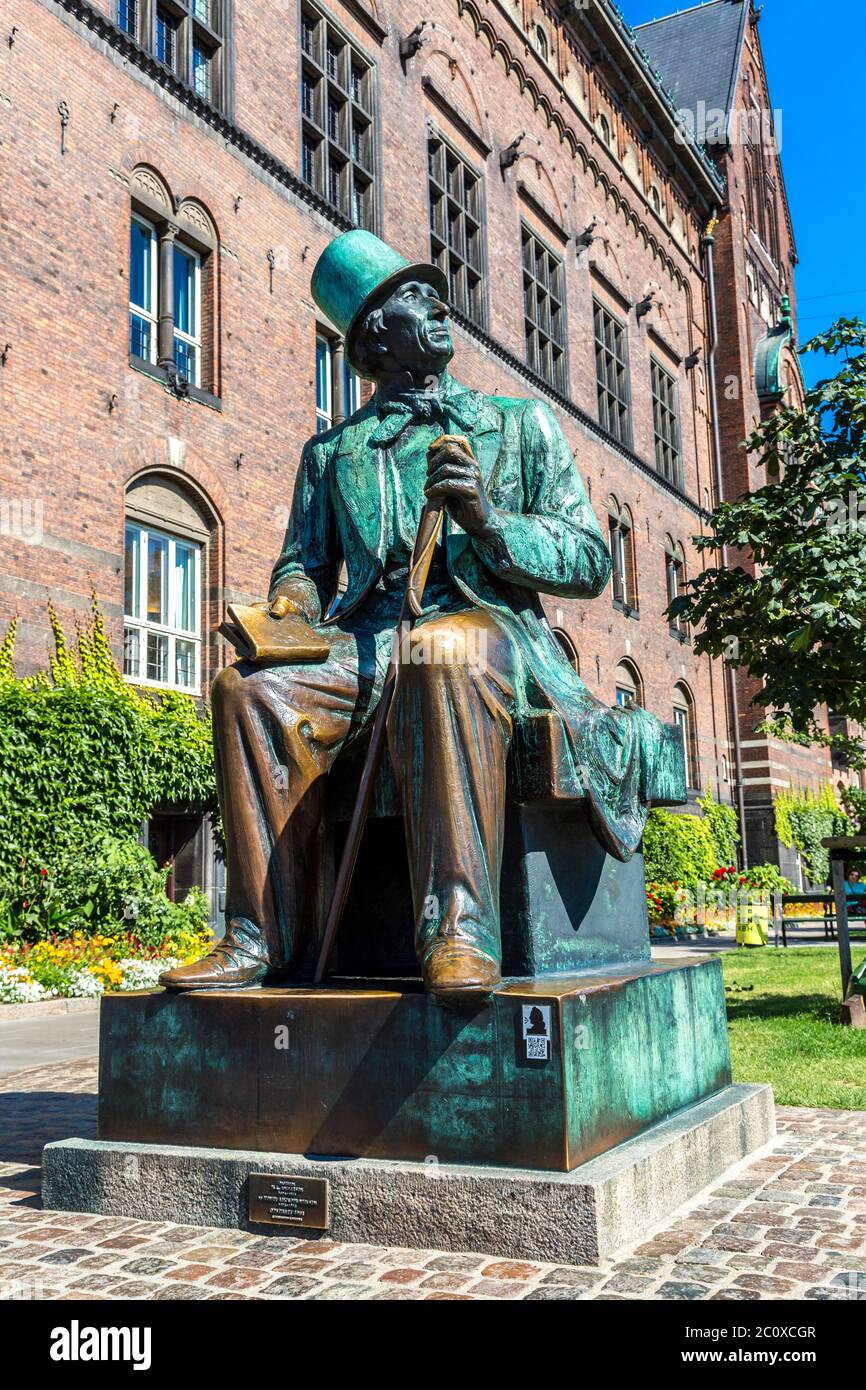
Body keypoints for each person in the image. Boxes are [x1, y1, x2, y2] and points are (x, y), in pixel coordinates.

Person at [160, 230, 682, 1000]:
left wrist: (489, 521)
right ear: (376, 331)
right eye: (415, 295)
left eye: (436, 292)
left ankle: (458, 930)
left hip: (489, 634)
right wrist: (289, 608)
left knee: (442, 651)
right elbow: (303, 562)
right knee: (246, 691)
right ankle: (259, 935)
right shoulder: (332, 453)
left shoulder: (518, 425)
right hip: (363, 645)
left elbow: (588, 561)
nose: (440, 303)